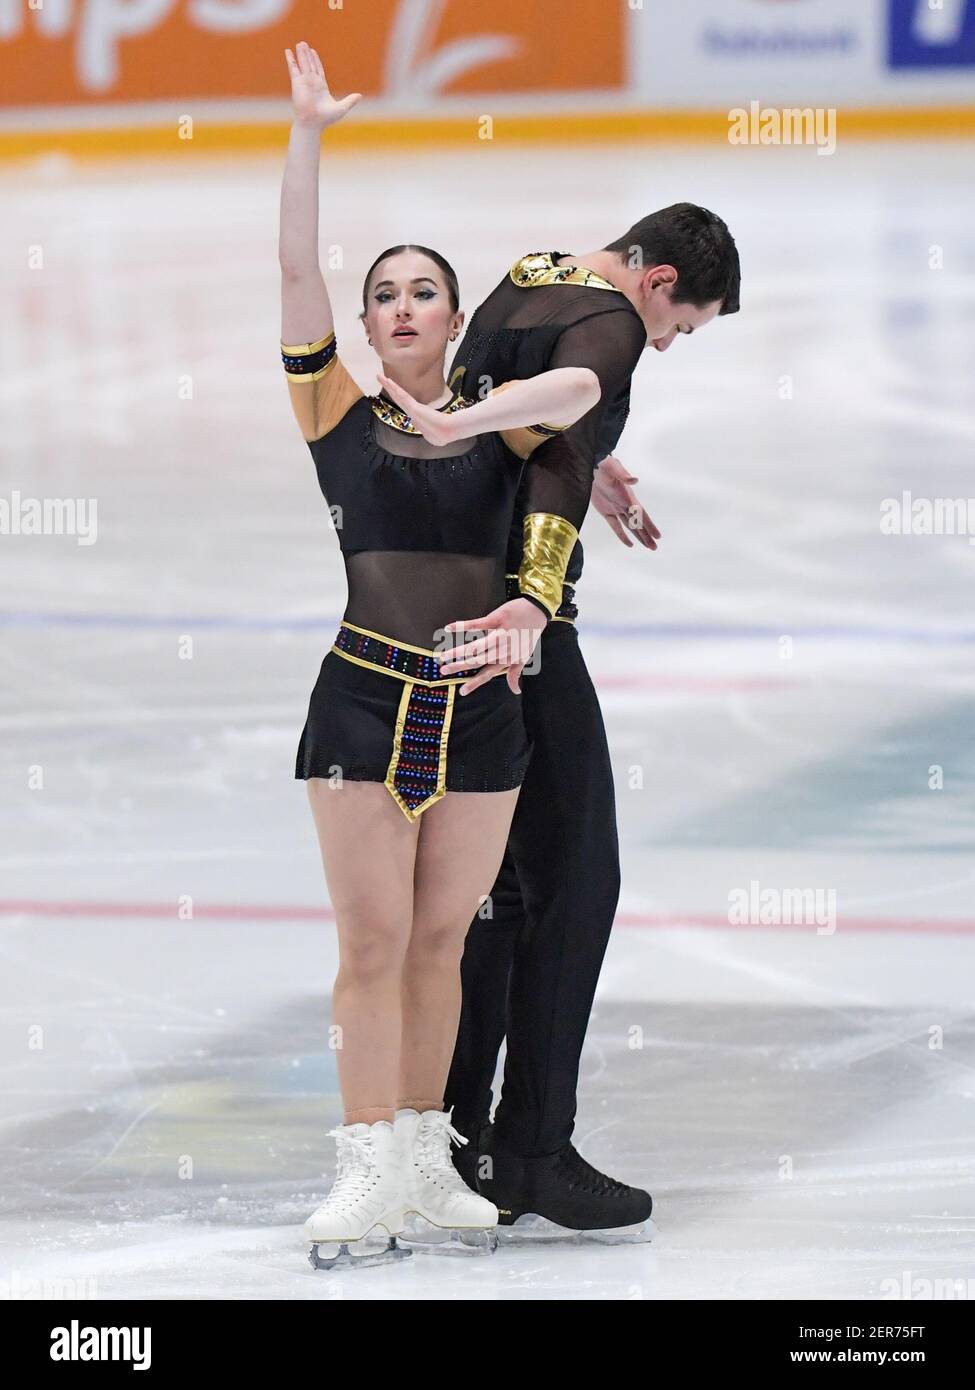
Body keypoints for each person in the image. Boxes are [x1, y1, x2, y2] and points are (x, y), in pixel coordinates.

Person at [279, 42, 598, 1269]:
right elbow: (292, 270)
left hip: (483, 715)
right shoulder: (334, 418)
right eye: (385, 294)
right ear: (365, 323)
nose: (402, 307)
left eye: (425, 293)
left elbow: (578, 391)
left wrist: (477, 410)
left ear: (456, 320)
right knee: (370, 943)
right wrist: (310, 132)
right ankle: (365, 1163)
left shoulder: (501, 427)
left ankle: (424, 1154)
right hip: (363, 702)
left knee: (441, 942)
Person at [438, 210, 741, 1237]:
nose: (664, 345)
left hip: (441, 601)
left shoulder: (529, 275)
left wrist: (586, 449)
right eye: (681, 326)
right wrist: (532, 601)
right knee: (578, 878)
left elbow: (481, 406)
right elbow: (560, 444)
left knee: (503, 888)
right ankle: (533, 1153)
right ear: (655, 281)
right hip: (516, 629)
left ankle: (457, 1132)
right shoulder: (611, 326)